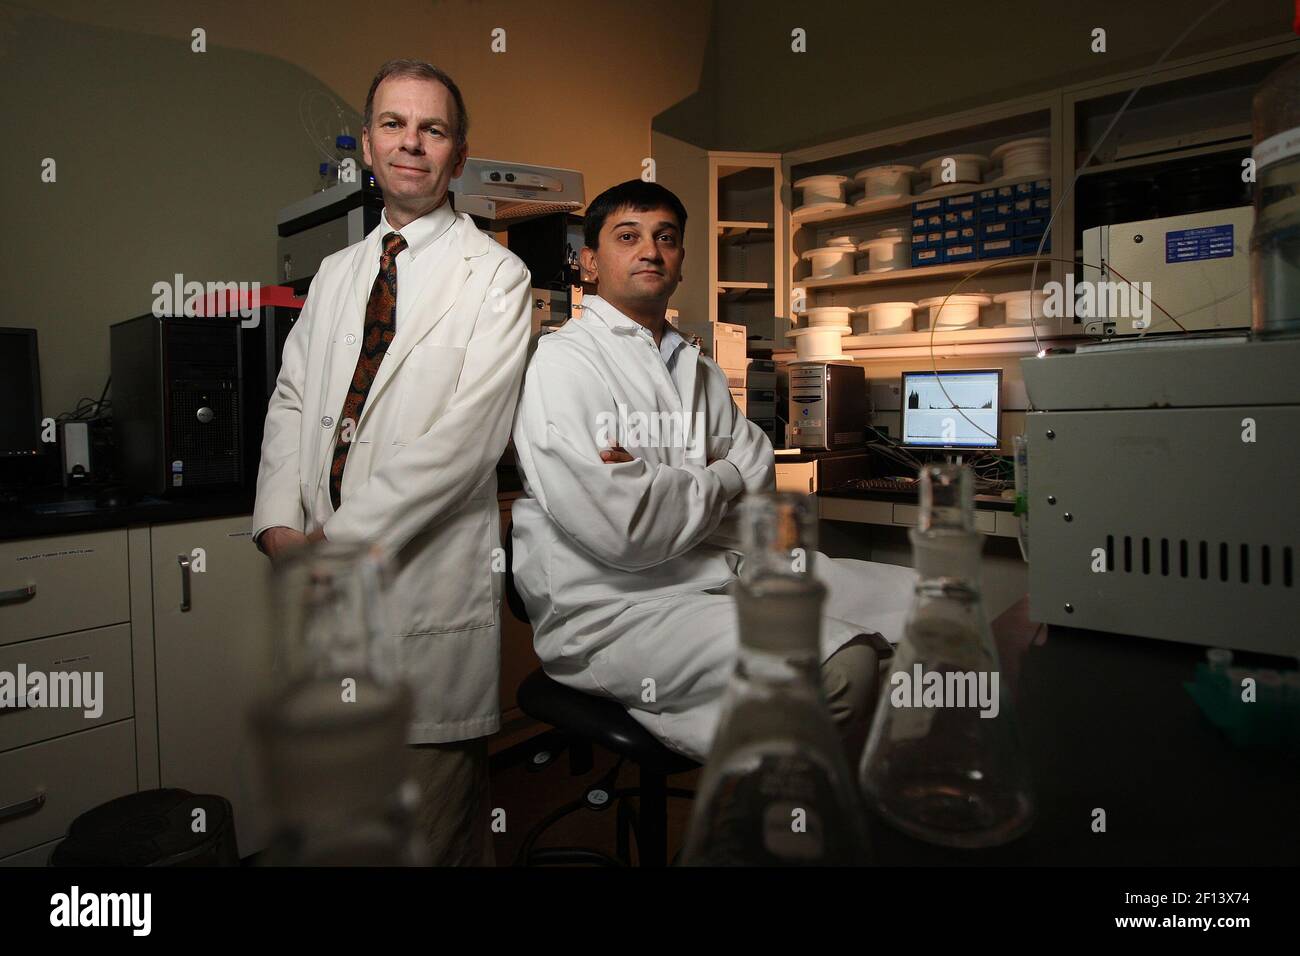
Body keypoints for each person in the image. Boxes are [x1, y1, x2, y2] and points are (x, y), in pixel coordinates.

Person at [509, 179, 918, 764]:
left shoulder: (694, 365)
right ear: (592, 263)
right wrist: (718, 477)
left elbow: (758, 473)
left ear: (679, 261)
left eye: (665, 238)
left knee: (925, 611)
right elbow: (625, 528)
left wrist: (666, 485)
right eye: (628, 237)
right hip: (613, 610)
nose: (650, 250)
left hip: (715, 573)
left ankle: (860, 806)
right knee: (843, 667)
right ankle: (769, 826)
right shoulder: (564, 362)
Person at [252, 59, 532, 865]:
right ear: (368, 149)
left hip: (420, 595)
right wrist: (278, 526)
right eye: (394, 125)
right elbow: (294, 401)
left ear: (459, 152)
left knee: (427, 834)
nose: (412, 143)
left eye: (433, 129)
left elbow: (467, 440)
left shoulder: (497, 278)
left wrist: (337, 549)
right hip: (318, 590)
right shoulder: (337, 275)